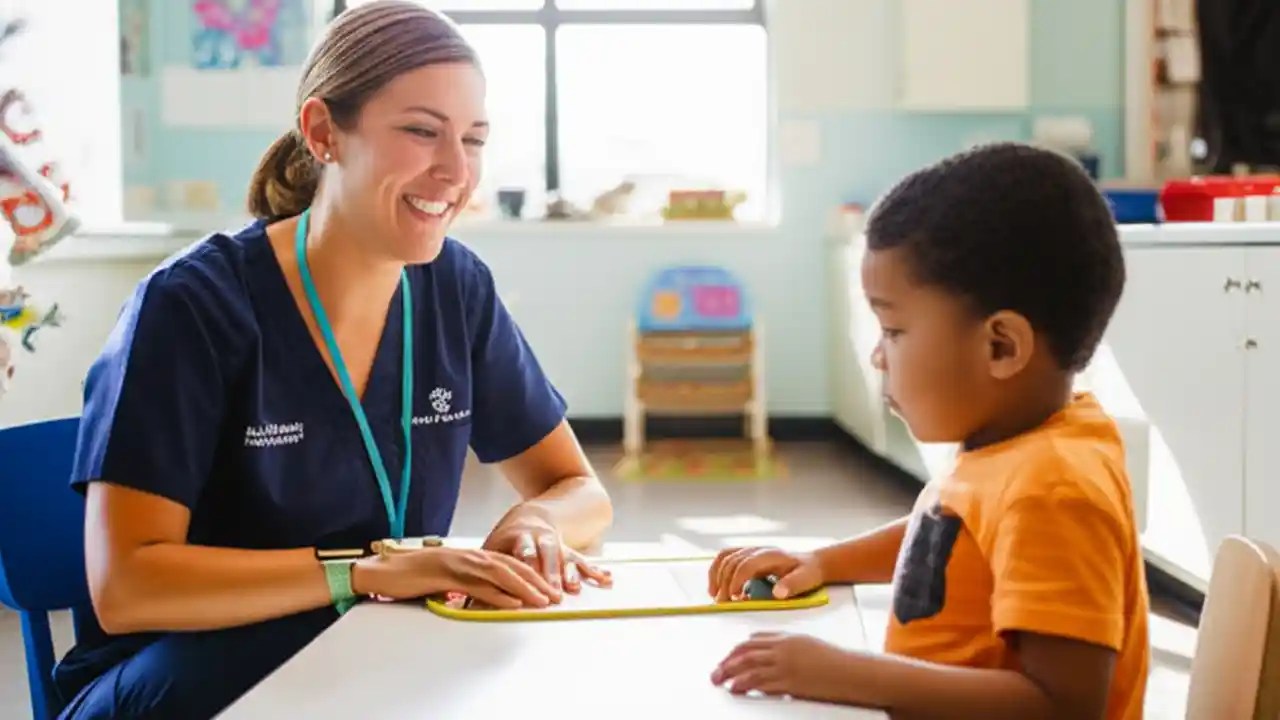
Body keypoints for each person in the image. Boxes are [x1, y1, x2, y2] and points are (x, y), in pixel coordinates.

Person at [52, 2, 613, 718]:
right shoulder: (191, 306)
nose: (454, 170)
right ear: (323, 133)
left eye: (473, 139)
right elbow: (129, 588)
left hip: (364, 648)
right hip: (174, 674)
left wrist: (539, 524)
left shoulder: (454, 288)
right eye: (421, 131)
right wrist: (367, 573)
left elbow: (577, 488)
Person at [707, 143, 1150, 719]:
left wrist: (849, 674)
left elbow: (1063, 706)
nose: (877, 356)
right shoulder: (1013, 444)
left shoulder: (1055, 487)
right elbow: (944, 539)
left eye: (893, 330)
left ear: (1001, 346)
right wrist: (823, 562)